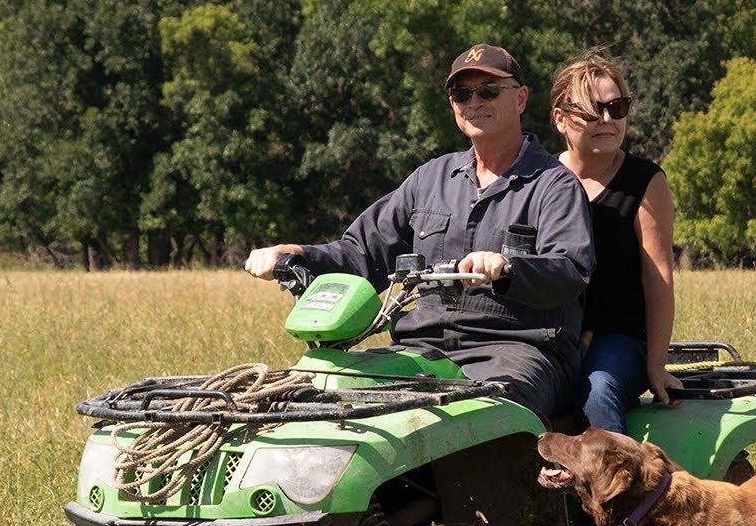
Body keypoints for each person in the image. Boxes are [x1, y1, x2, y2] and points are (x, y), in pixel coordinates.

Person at [245, 44, 595, 421]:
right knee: (324, 394)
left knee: (486, 418)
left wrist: (509, 267)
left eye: (489, 90)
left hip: (515, 351)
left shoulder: (554, 185)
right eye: (462, 93)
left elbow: (569, 270)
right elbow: (360, 254)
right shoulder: (430, 179)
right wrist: (295, 253)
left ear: (521, 99)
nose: (474, 101)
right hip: (422, 347)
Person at [550, 51, 683, 434]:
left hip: (620, 338)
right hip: (553, 335)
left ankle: (622, 492)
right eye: (592, 110)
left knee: (598, 391)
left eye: (617, 107)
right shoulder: (541, 180)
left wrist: (656, 366)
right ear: (561, 119)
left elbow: (657, 280)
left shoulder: (644, 181)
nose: (607, 120)